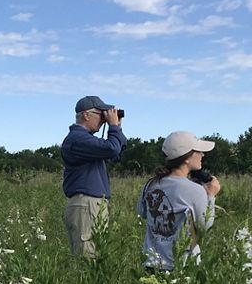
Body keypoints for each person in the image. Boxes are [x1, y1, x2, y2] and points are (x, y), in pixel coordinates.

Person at [137, 131, 221, 272]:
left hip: (151, 263)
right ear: (187, 158)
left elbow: (142, 213)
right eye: (198, 151)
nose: (202, 155)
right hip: (181, 265)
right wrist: (211, 196)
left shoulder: (150, 184)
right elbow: (204, 227)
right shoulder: (195, 190)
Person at [61, 95, 126, 258]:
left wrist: (117, 127)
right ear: (86, 115)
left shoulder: (86, 140)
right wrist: (113, 128)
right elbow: (111, 149)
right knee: (87, 258)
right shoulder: (77, 139)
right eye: (101, 115)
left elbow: (116, 153)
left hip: (91, 204)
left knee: (95, 256)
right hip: (86, 204)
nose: (103, 120)